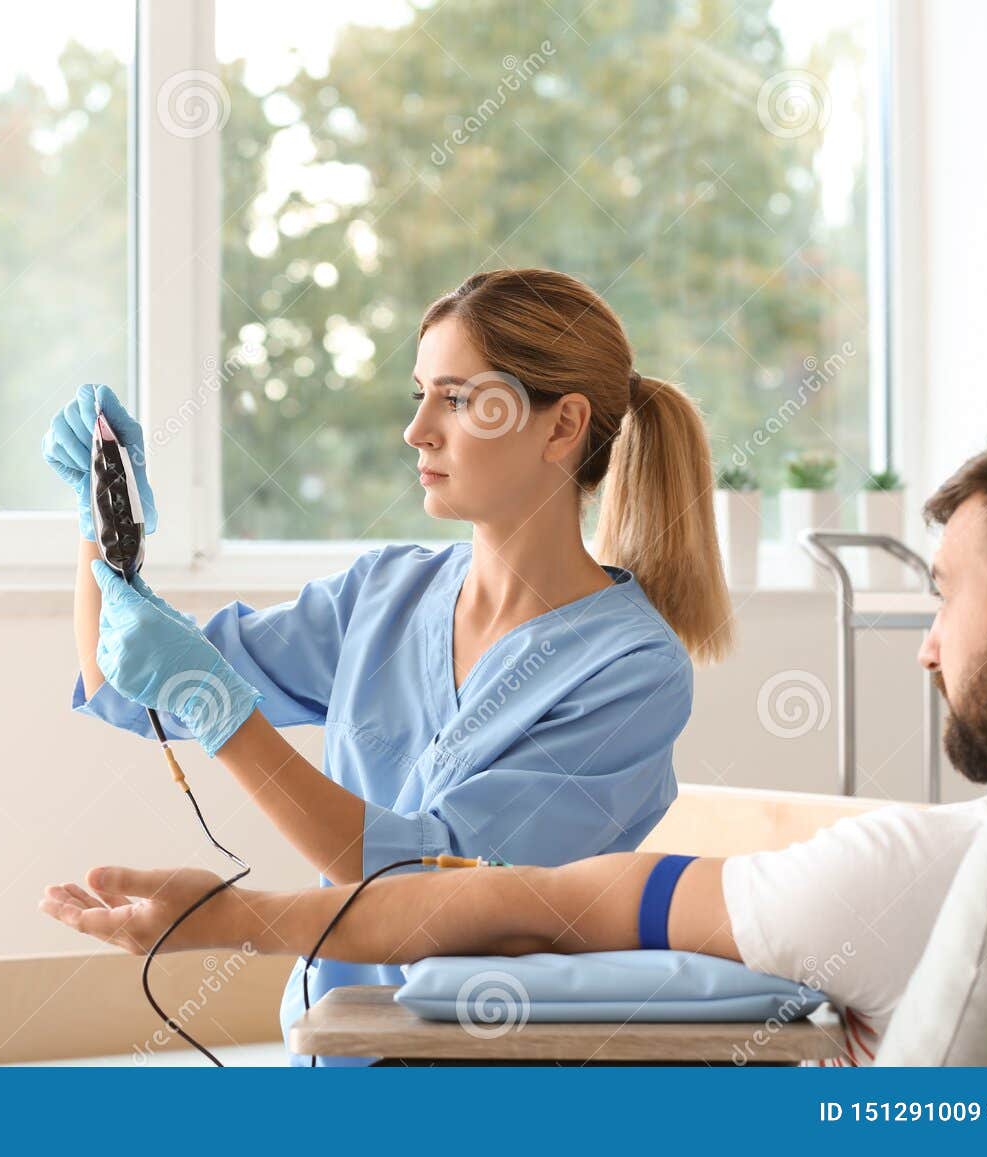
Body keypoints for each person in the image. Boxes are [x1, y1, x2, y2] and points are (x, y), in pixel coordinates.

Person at [42, 420, 987, 1065]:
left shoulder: (916, 867)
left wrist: (229, 910)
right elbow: (128, 686)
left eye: (943, 594)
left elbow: (522, 897)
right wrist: (100, 542)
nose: (927, 646)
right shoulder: (386, 590)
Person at [43, 268, 734, 1065]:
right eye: (420, 394)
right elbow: (125, 687)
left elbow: (429, 892)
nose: (417, 430)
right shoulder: (383, 594)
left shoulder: (632, 672)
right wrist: (101, 524)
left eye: (459, 399)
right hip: (329, 1047)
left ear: (563, 425)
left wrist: (222, 712)